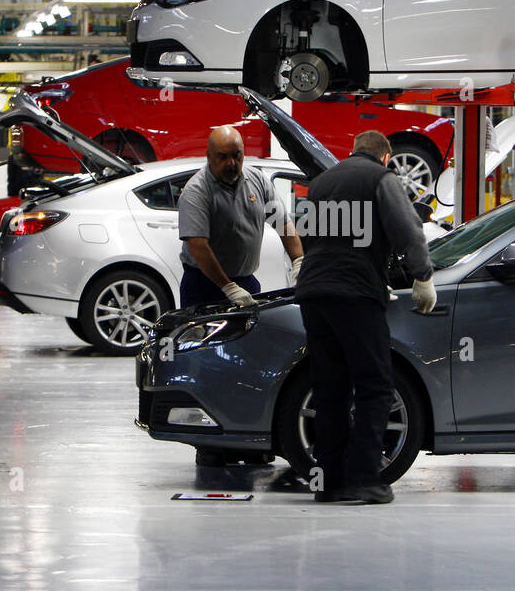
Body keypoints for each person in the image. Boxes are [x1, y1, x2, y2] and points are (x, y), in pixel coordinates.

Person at [295, 130, 435, 506]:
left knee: (330, 389)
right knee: (374, 385)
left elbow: (308, 235)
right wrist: (422, 276)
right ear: (386, 157)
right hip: (355, 295)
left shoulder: (321, 183)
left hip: (313, 294)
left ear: (353, 151)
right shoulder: (382, 179)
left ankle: (327, 483)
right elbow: (408, 230)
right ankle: (363, 480)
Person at [177, 125, 303, 309]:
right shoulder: (197, 191)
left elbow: (283, 224)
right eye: (223, 156)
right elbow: (198, 246)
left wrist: (298, 261)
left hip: (246, 282)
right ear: (209, 156)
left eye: (237, 156)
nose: (231, 163)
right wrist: (229, 288)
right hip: (203, 286)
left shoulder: (257, 180)